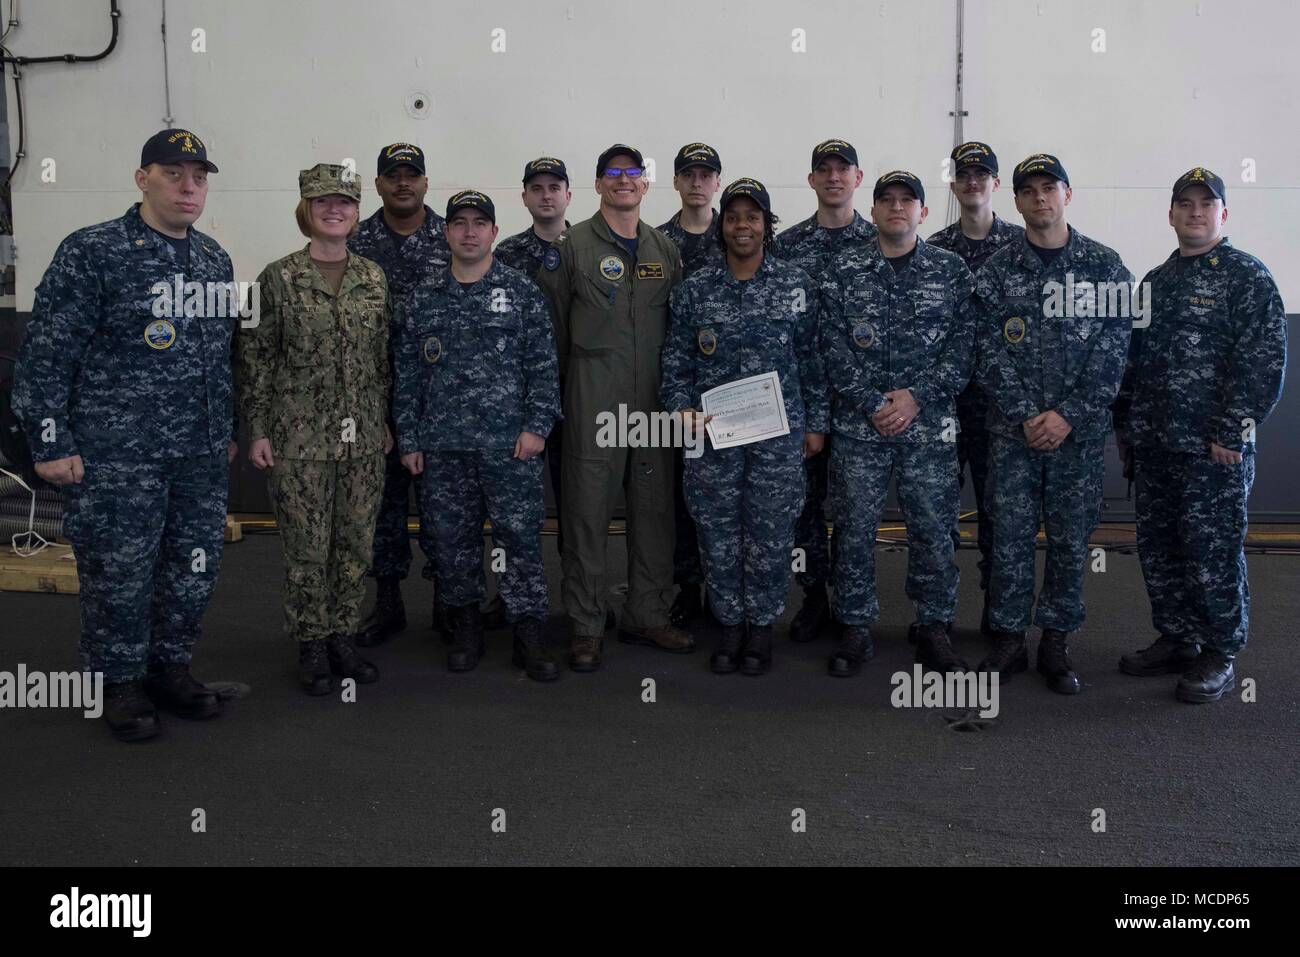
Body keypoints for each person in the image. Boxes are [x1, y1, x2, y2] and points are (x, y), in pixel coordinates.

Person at [13, 128, 236, 741]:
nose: (188, 187)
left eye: (198, 176)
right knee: (120, 571)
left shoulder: (215, 259)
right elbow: (47, 355)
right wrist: (51, 442)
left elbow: (221, 357)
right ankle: (119, 683)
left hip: (198, 454)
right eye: (173, 174)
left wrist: (227, 430)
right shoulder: (94, 251)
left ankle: (170, 669)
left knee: (192, 567)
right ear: (143, 179)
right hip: (118, 455)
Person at [1113, 167, 1287, 703]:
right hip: (1157, 445)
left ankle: (1219, 650)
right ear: (1170, 214)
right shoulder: (1155, 283)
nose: (1194, 212)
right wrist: (1127, 431)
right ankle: (1178, 637)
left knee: (1211, 550)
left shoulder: (1247, 277)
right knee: (1160, 547)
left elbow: (1262, 364)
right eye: (1184, 204)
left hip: (1214, 449)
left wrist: (1231, 432)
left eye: (1205, 204)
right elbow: (1132, 364)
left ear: (1223, 214)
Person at [973, 153, 1133, 694]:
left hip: (1077, 439)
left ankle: (1057, 640)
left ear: (1068, 194)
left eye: (1050, 188)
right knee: (1010, 538)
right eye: (1029, 191)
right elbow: (985, 350)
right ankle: (1009, 638)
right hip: (1011, 435)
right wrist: (1025, 414)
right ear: (1015, 201)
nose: (1040, 198)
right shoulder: (996, 272)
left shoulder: (1106, 268)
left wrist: (1066, 416)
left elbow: (1113, 358)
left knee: (1069, 541)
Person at [534, 144, 693, 671]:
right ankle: (586, 625)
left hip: (653, 404)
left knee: (654, 512)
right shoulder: (571, 247)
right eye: (612, 173)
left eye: (633, 173)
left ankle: (647, 614)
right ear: (599, 184)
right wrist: (562, 401)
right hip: (591, 401)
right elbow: (551, 333)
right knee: (586, 515)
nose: (624, 180)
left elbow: (677, 331)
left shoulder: (664, 249)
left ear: (646, 185)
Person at [393, 190, 561, 680]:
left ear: (493, 232)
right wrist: (409, 438)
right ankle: (464, 626)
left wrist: (536, 427)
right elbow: (406, 375)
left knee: (520, 540)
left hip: (509, 446)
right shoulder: (423, 296)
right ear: (446, 232)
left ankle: (527, 629)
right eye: (460, 223)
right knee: (451, 542)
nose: (470, 232)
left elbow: (542, 365)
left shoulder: (521, 291)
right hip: (442, 446)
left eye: (480, 223)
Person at [661, 177, 827, 674]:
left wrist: (815, 425)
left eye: (752, 217)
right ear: (722, 225)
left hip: (778, 438)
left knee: (772, 533)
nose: (742, 226)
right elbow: (675, 365)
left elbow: (812, 362)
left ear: (766, 226)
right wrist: (678, 410)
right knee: (716, 531)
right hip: (712, 439)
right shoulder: (694, 292)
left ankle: (761, 630)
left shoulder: (795, 287)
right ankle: (730, 623)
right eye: (733, 217)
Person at [238, 164, 391, 695]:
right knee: (307, 547)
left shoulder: (373, 277)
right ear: (306, 209)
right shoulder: (276, 278)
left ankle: (342, 636)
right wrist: (257, 429)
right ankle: (310, 641)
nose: (334, 210)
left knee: (354, 544)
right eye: (323, 202)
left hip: (364, 439)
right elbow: (255, 358)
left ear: (355, 213)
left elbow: (383, 359)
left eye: (345, 203)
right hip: (298, 438)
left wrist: (387, 422)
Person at [820, 171, 975, 677]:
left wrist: (916, 398)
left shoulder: (950, 272)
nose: (897, 207)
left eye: (908, 200)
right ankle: (856, 627)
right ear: (873, 210)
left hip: (929, 429)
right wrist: (872, 401)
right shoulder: (843, 270)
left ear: (923, 212)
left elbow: (964, 348)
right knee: (854, 529)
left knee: (933, 529)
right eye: (886, 200)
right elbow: (831, 346)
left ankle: (933, 626)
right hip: (860, 429)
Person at [772, 138, 878, 643]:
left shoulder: (883, 240)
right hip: (804, 401)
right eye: (823, 170)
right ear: (811, 180)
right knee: (806, 507)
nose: (833, 177)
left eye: (843, 169)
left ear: (858, 179)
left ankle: (856, 606)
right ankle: (814, 595)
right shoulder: (788, 247)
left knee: (857, 513)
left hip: (864, 408)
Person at [348, 143, 451, 648]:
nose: (404, 183)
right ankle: (387, 603)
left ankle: (447, 603)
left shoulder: (450, 235)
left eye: (413, 175)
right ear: (379, 184)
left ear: (426, 183)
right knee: (381, 508)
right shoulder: (355, 239)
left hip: (442, 398)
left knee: (443, 507)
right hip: (374, 397)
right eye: (393, 175)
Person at [927, 142, 1025, 633]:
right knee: (939, 514)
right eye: (963, 175)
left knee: (998, 516)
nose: (972, 182)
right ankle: (938, 616)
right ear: (952, 183)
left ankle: (997, 615)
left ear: (995, 183)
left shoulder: (1019, 247)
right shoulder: (936, 249)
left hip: (1002, 410)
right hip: (945, 407)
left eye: (981, 174)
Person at [658, 142, 724, 629]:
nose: (697, 182)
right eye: (689, 174)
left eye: (706, 174)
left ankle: (731, 593)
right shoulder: (658, 243)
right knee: (683, 498)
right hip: (679, 388)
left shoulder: (745, 230)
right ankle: (687, 588)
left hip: (737, 395)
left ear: (717, 182)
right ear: (677, 182)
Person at [495, 156, 573, 275]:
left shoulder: (586, 247)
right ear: (525, 198)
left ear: (568, 196)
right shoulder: (506, 252)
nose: (546, 196)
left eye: (554, 188)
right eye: (537, 189)